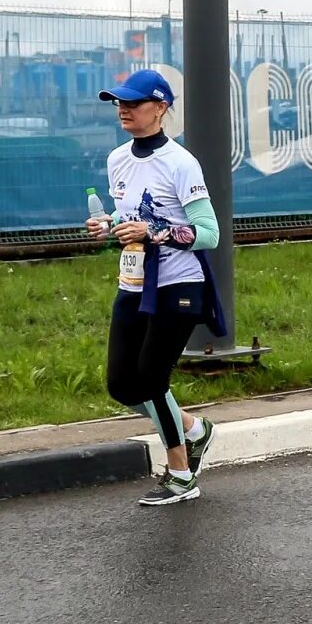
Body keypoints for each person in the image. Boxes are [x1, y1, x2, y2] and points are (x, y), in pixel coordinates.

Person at [86, 69, 224, 506]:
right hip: (133, 283)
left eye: (134, 103)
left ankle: (181, 474)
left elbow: (209, 233)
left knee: (150, 379)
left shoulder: (181, 163)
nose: (123, 110)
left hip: (178, 285)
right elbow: (128, 212)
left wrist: (154, 232)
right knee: (122, 385)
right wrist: (108, 224)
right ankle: (195, 429)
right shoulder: (117, 159)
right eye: (119, 103)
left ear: (161, 108)